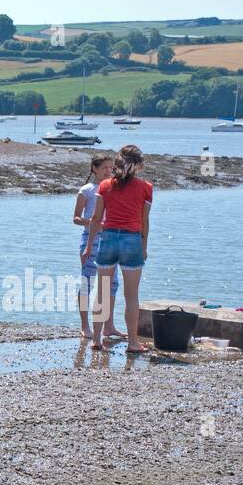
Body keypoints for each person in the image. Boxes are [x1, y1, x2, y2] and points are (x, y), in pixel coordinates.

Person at [83, 145, 153, 353]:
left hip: (109, 238)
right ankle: (132, 343)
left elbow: (96, 219)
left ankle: (97, 340)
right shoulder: (146, 187)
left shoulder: (104, 186)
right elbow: (144, 222)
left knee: (102, 291)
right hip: (132, 240)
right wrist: (144, 247)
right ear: (138, 165)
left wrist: (88, 246)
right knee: (131, 296)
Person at [74, 154, 121, 342]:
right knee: (87, 282)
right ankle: (85, 326)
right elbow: (75, 218)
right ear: (94, 168)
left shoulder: (113, 188)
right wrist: (93, 223)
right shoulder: (86, 190)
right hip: (90, 240)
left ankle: (109, 326)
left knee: (112, 284)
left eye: (111, 168)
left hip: (111, 239)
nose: (109, 171)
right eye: (105, 168)